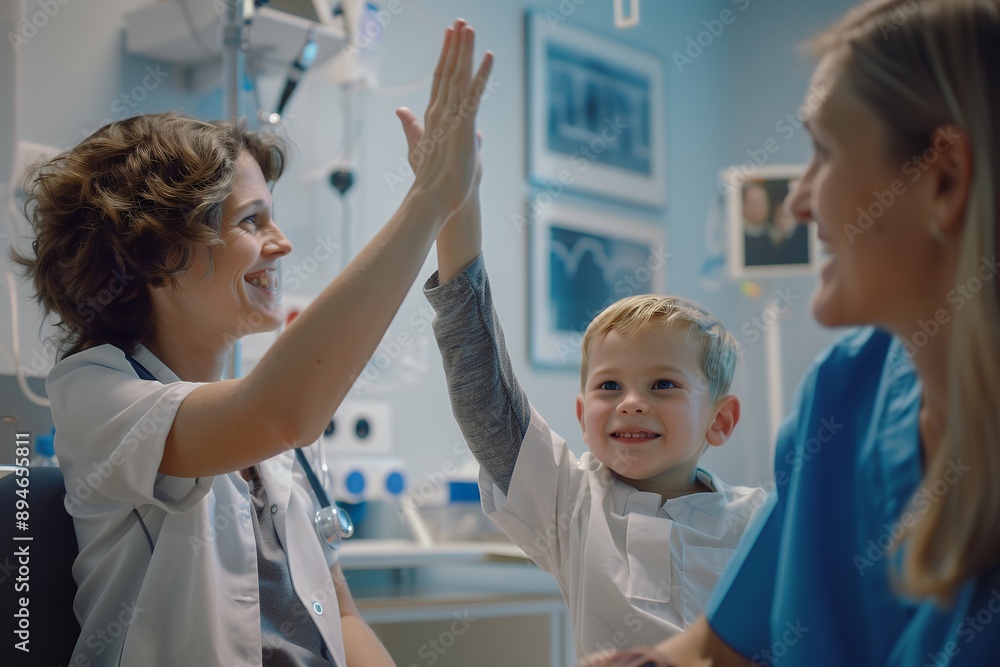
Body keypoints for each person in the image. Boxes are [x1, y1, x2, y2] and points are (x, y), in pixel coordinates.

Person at [9, 20, 492, 666]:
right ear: (160, 252)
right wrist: (429, 198)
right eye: (251, 220)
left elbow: (337, 610)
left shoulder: (275, 429)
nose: (282, 242)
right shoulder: (97, 393)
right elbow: (278, 410)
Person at [579, 0, 1000, 665]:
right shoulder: (843, 397)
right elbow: (719, 649)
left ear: (942, 177)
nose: (799, 199)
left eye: (824, 152)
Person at [416, 128, 765, 654]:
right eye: (609, 385)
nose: (630, 401)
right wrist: (455, 200)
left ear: (721, 419)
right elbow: (484, 391)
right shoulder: (571, 503)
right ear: (583, 415)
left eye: (663, 383)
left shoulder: (759, 523)